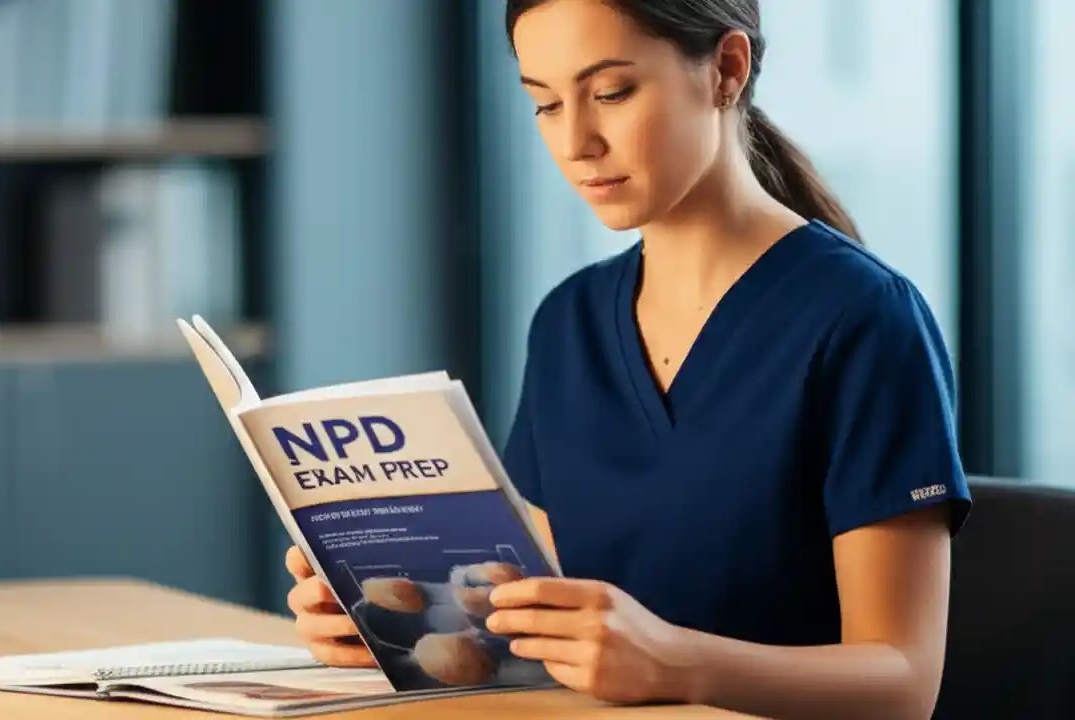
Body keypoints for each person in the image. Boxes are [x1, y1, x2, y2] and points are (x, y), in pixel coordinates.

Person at [284, 1, 971, 717]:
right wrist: (400, 620)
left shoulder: (863, 319)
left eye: (611, 93)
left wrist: (679, 663)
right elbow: (526, 610)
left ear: (726, 71)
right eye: (546, 104)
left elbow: (903, 684)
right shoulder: (567, 321)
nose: (576, 141)